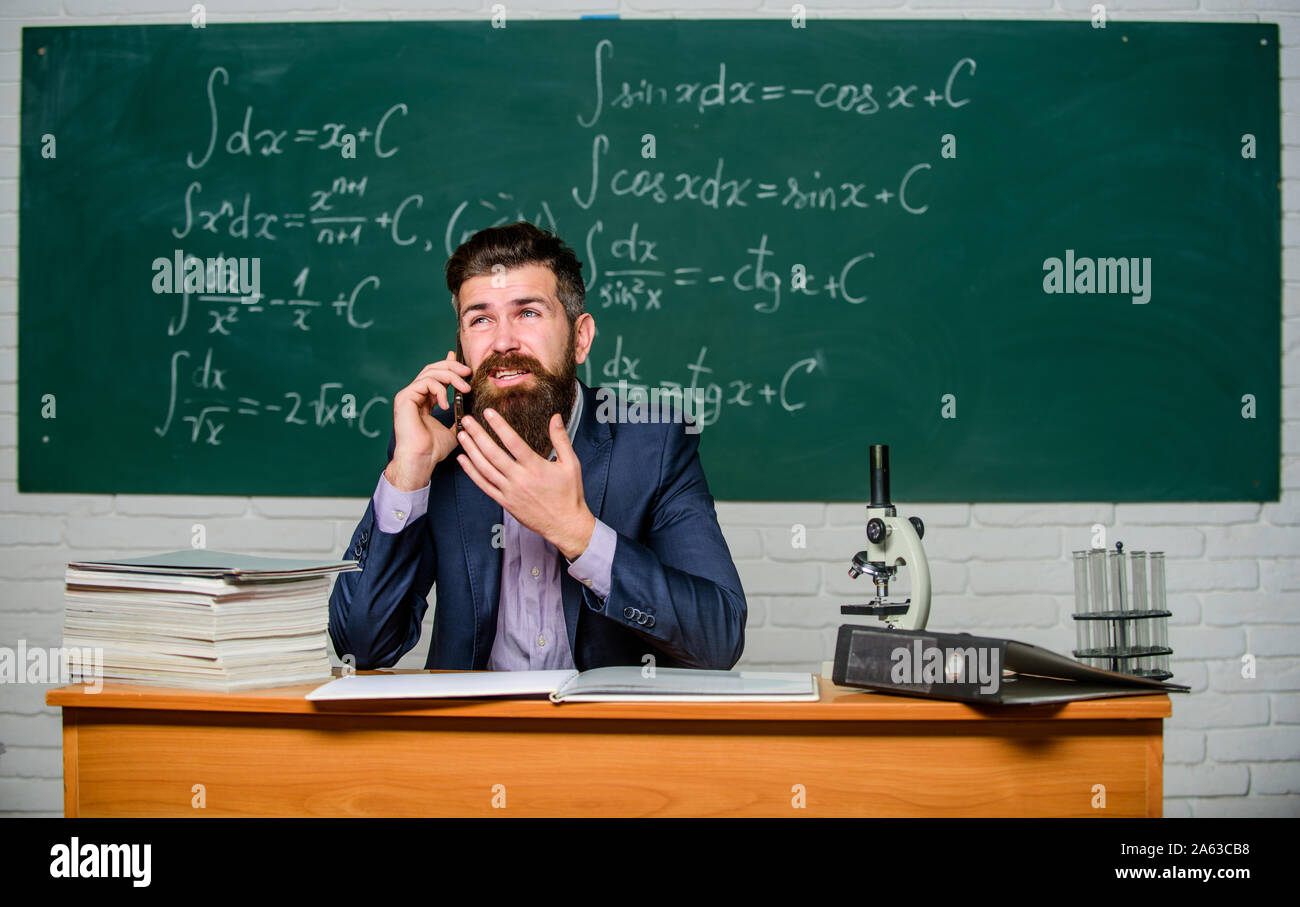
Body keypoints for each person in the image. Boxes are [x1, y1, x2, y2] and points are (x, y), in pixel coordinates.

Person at [328, 221, 746, 671]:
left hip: (607, 732)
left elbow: (718, 641)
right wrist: (407, 474)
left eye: (528, 312)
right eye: (481, 319)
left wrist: (579, 534)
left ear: (580, 338)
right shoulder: (436, 446)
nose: (503, 341)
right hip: (473, 734)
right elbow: (362, 648)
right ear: (461, 347)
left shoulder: (656, 444)